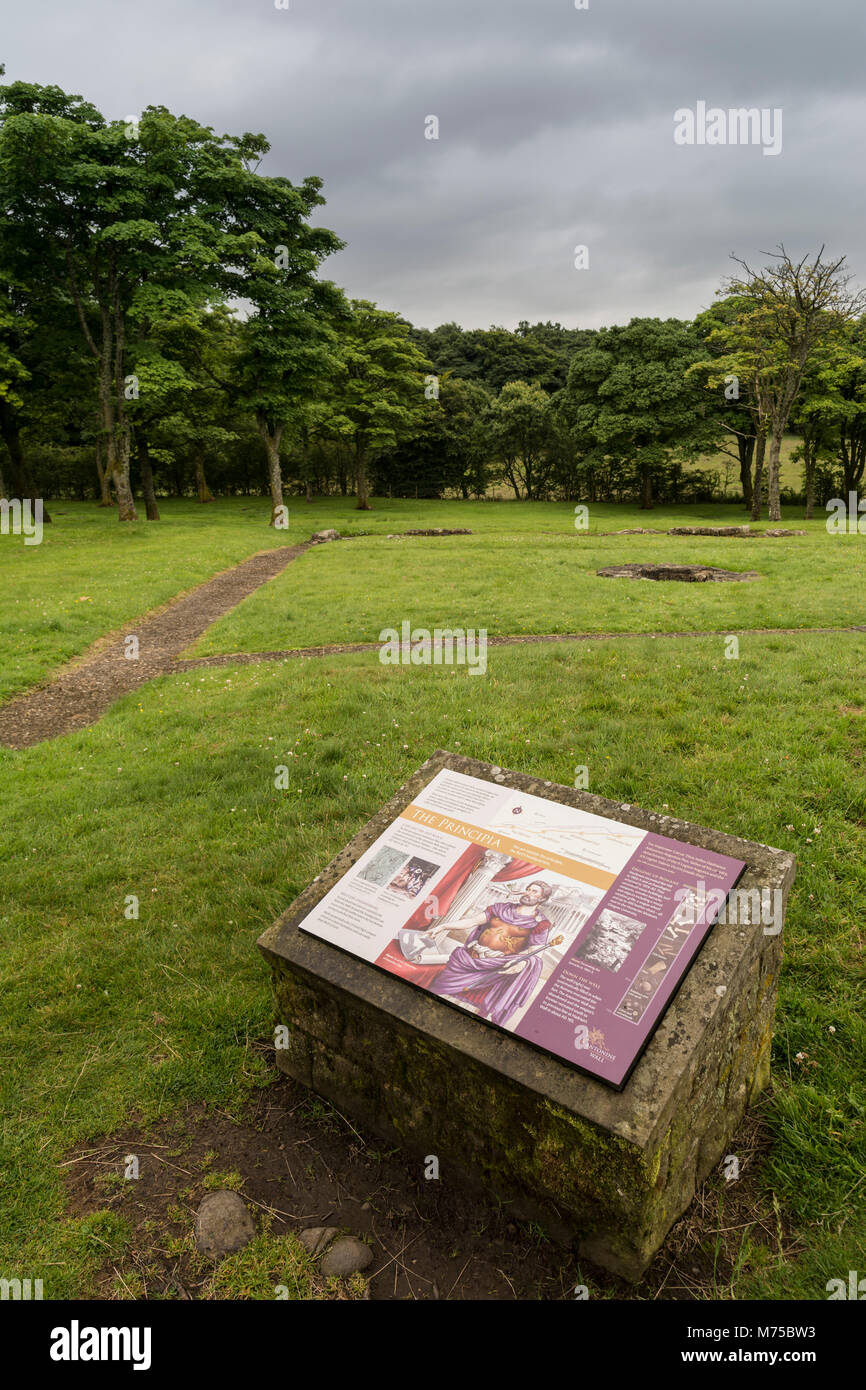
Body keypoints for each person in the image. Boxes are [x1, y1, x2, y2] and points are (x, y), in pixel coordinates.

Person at [429, 881, 562, 1027]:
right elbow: (472, 921)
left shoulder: (540, 924)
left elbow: (535, 953)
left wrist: (523, 963)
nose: (528, 893)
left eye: (534, 892)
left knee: (470, 1013)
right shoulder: (500, 908)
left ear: (542, 899)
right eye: (528, 889)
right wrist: (443, 926)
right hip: (468, 959)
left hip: (496, 969)